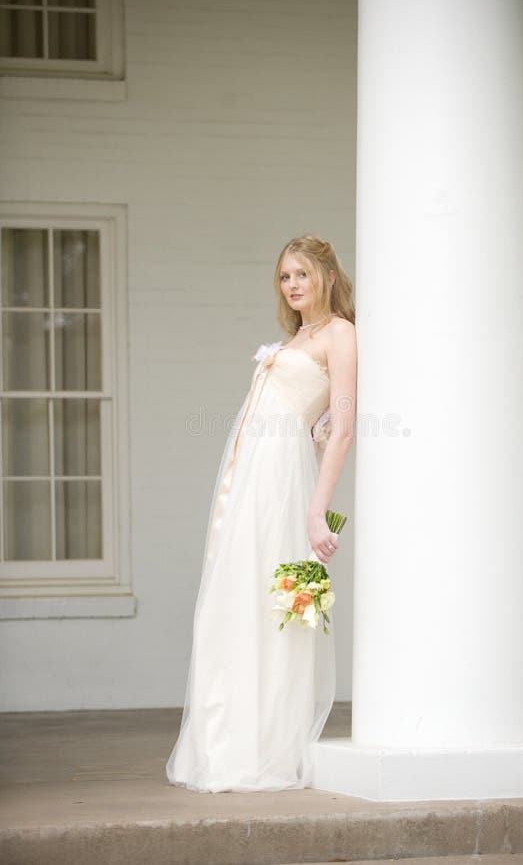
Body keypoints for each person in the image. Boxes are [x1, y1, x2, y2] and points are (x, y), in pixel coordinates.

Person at [166, 234, 357, 793]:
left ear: (326, 275)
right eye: (283, 277)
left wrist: (317, 509)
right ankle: (229, 741)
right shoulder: (298, 336)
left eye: (301, 274)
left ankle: (268, 744)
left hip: (283, 481)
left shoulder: (341, 334)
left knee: (276, 601)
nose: (292, 285)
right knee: (235, 597)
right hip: (249, 478)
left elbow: (342, 428)